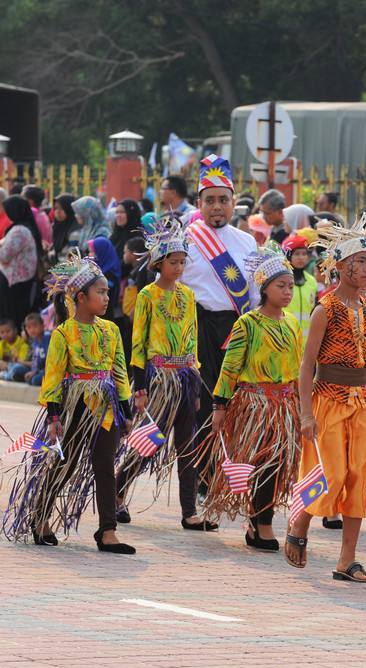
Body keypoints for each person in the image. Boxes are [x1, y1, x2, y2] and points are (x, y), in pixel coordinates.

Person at [285, 217, 366, 583]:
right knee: (330, 474)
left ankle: (347, 559)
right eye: (360, 262)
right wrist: (305, 413)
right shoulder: (325, 310)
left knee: (357, 476)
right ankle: (300, 520)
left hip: (363, 404)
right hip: (329, 400)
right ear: (342, 266)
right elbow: (306, 366)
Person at [1, 254, 135, 553]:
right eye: (100, 292)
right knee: (66, 463)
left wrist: (126, 411)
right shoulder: (63, 334)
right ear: (80, 297)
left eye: (107, 292)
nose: (106, 297)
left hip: (107, 407)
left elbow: (120, 372)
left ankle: (108, 531)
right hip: (76, 405)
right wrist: (54, 416)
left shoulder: (111, 330)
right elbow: (52, 378)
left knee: (105, 466)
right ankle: (39, 517)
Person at [203, 243, 303, 550]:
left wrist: (301, 404)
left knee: (278, 461)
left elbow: (297, 368)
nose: (287, 291)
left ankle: (261, 522)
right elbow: (230, 368)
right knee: (260, 462)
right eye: (280, 286)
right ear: (264, 287)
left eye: (290, 286)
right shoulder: (247, 323)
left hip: (284, 405)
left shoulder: (292, 324)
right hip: (254, 404)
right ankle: (259, 523)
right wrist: (220, 405)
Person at [113, 217, 208, 530]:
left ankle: (189, 511)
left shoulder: (189, 296)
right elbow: (137, 344)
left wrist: (194, 382)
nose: (179, 267)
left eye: (182, 261)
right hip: (159, 378)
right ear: (158, 262)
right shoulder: (147, 296)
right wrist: (140, 388)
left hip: (185, 376)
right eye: (173, 261)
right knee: (149, 441)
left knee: (188, 444)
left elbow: (192, 338)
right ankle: (117, 490)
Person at [181, 155, 258, 501]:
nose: (216, 207)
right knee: (201, 403)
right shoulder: (186, 240)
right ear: (199, 204)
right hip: (195, 328)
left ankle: (222, 472)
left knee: (230, 403)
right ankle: (201, 475)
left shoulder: (247, 243)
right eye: (209, 200)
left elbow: (255, 293)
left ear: (233, 202)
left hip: (234, 328)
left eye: (222, 200)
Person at [0, 195, 42, 328]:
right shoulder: (24, 227)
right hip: (19, 281)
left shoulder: (19, 231)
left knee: (9, 319)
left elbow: (3, 256)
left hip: (14, 283)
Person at [282, 233, 317, 338]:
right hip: (286, 338)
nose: (301, 257)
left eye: (304, 254)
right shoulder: (281, 281)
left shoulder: (312, 281)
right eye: (297, 254)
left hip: (306, 342)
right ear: (289, 256)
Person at [86, 237, 122, 318]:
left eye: (92, 252)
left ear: (101, 253)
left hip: (105, 316)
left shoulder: (110, 273)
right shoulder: (100, 269)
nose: (89, 254)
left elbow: (102, 294)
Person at [50, 193, 80, 259]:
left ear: (70, 209)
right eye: (55, 208)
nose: (58, 211)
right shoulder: (56, 226)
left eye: (62, 208)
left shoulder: (76, 232)